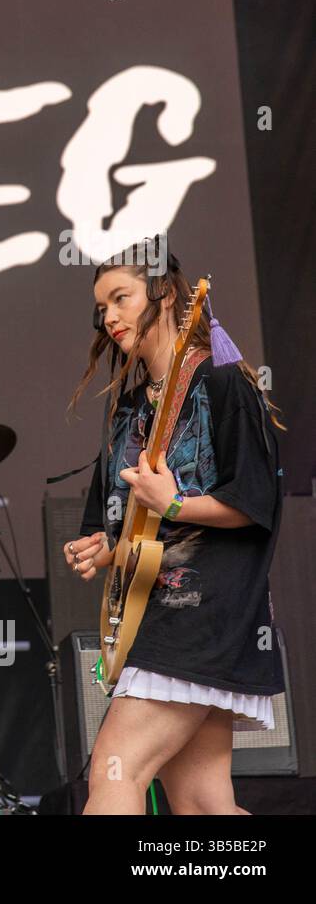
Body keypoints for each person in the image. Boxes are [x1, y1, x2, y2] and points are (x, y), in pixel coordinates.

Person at [63, 237, 285, 815]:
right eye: (101, 308)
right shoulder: (131, 410)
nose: (109, 317)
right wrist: (99, 550)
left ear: (163, 293)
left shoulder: (221, 382)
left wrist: (176, 504)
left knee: (116, 770)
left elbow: (255, 500)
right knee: (201, 804)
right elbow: (114, 522)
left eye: (121, 298)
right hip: (157, 612)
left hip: (204, 612)